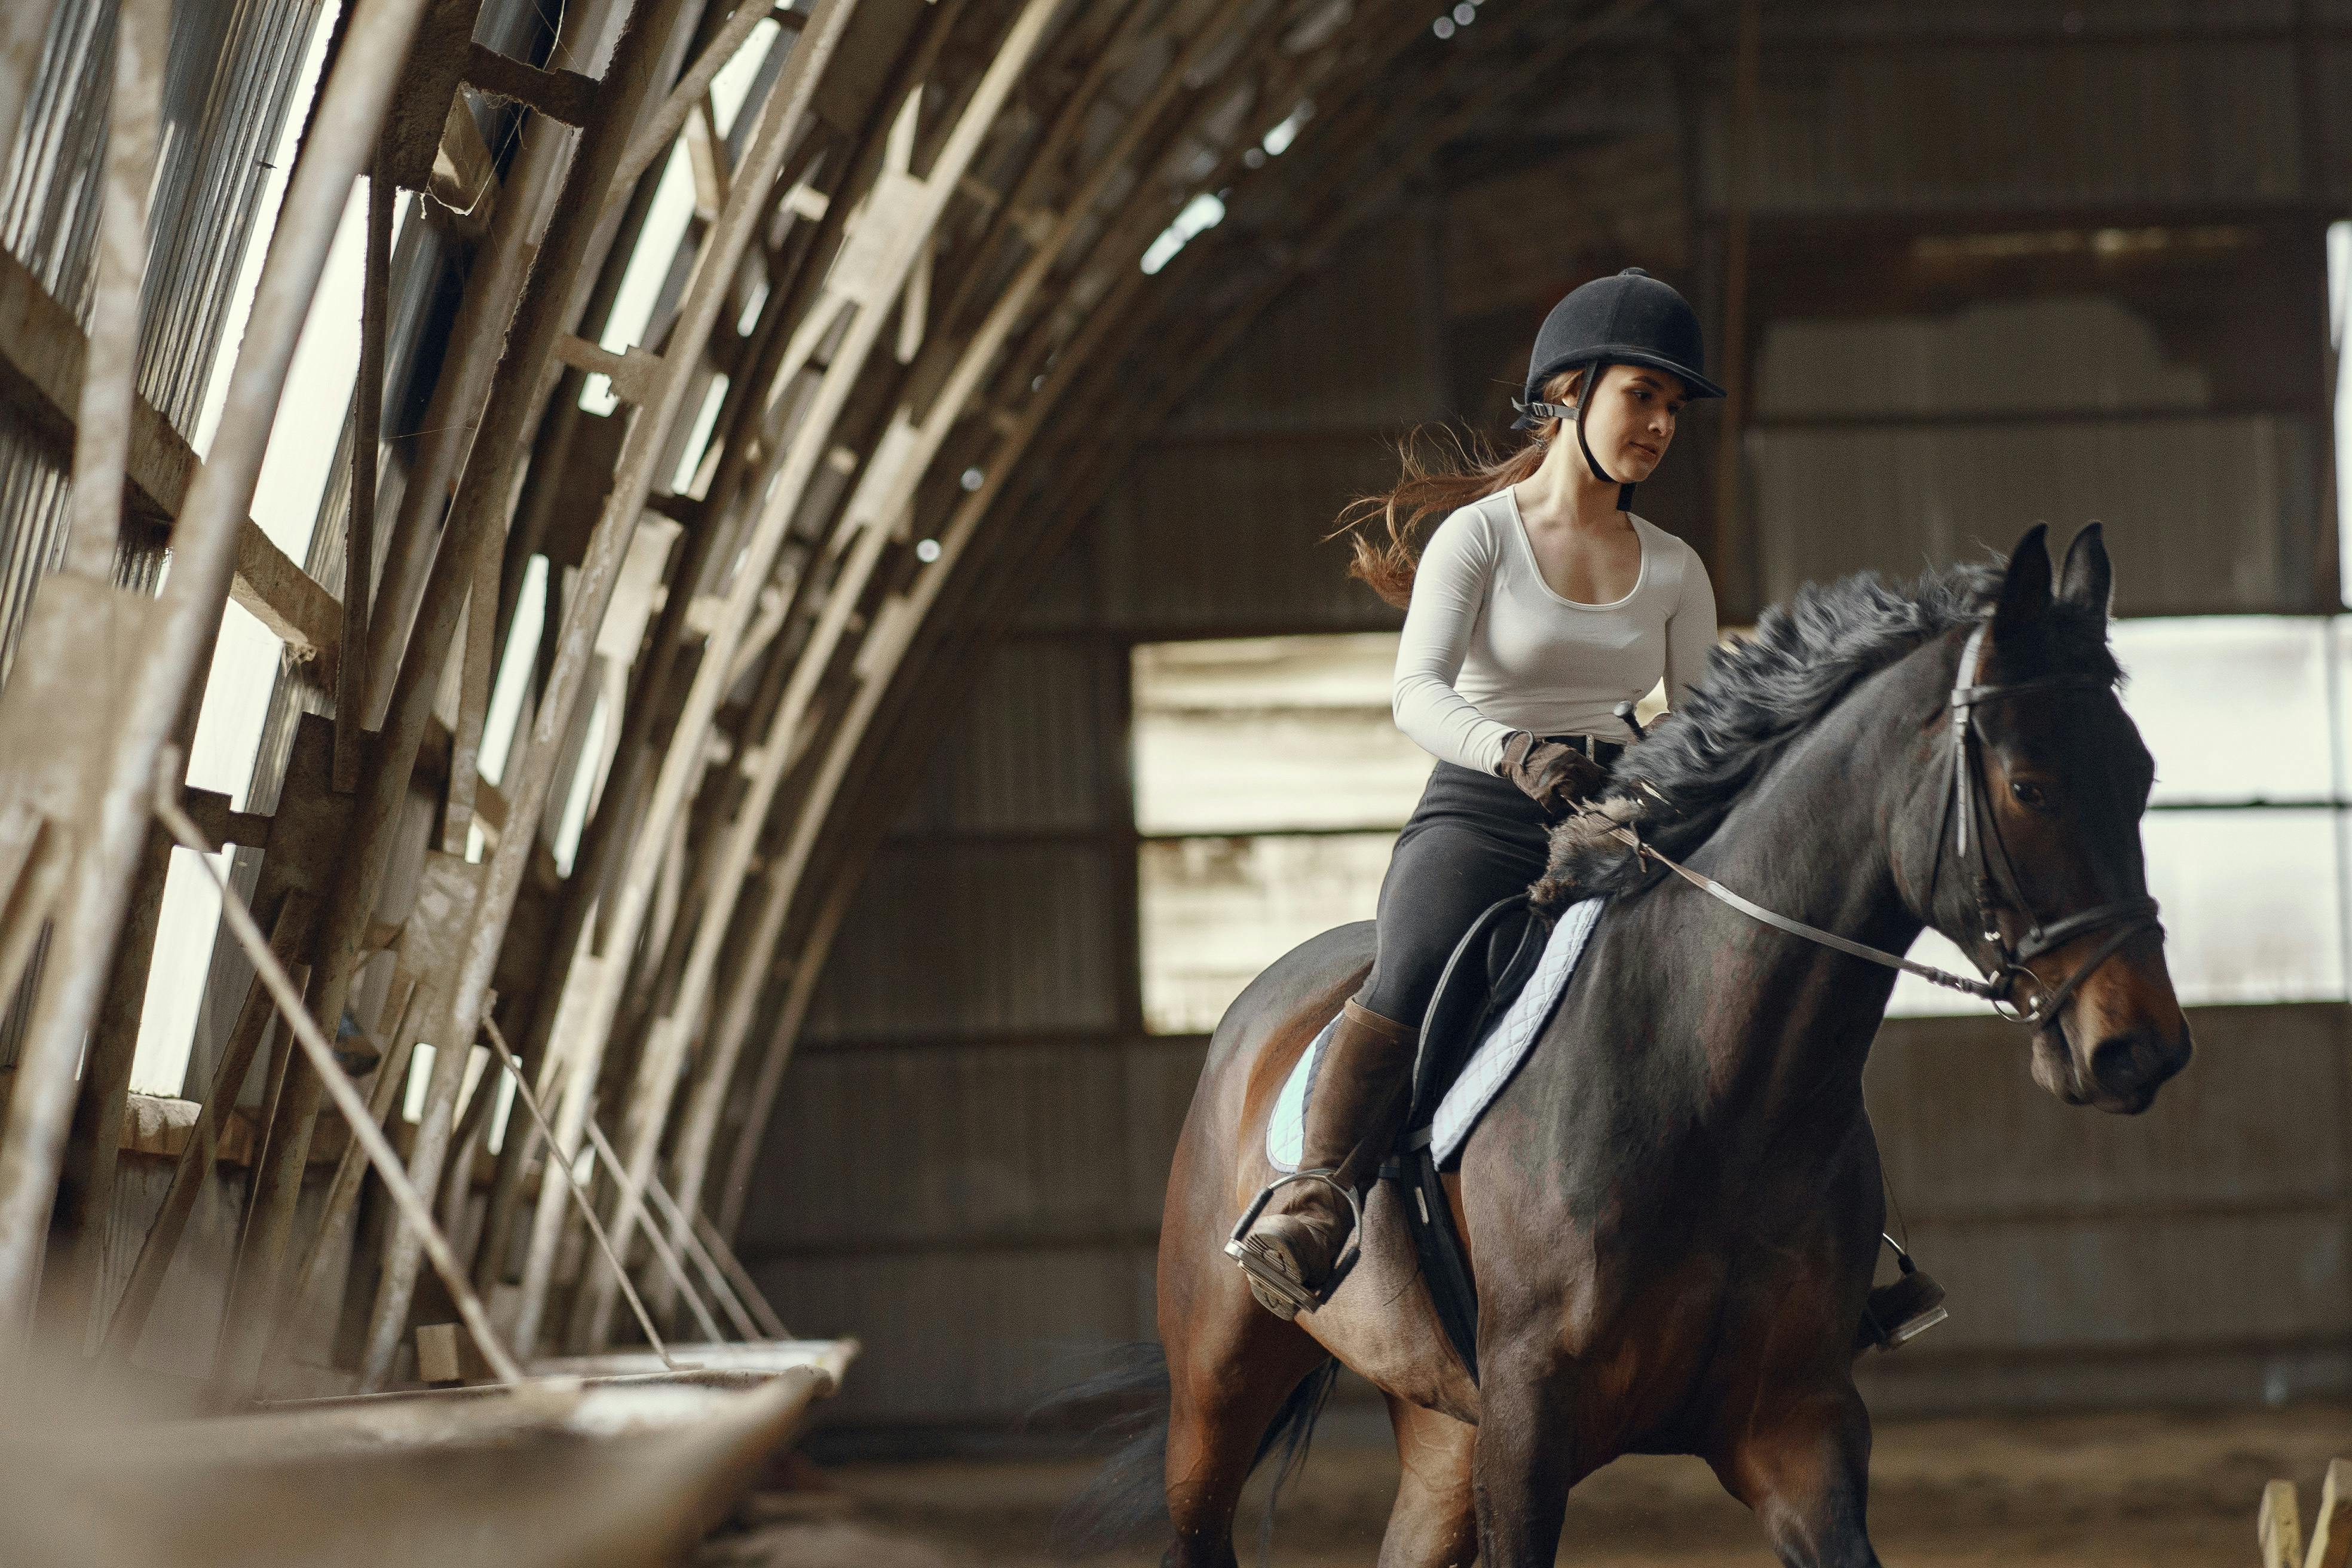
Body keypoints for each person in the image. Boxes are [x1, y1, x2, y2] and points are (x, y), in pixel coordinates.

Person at [1229, 268, 1726, 1322]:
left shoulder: (1677, 568)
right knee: (1412, 960)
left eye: (1674, 408)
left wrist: (1650, 793)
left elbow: (1694, 719)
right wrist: (1516, 754)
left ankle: (1828, 1230)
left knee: (1745, 975)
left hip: (1618, 814)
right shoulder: (1482, 538)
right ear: (1566, 395)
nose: (1660, 425)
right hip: (1485, 807)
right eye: (1643, 394)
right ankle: (1314, 1196)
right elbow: (1416, 691)